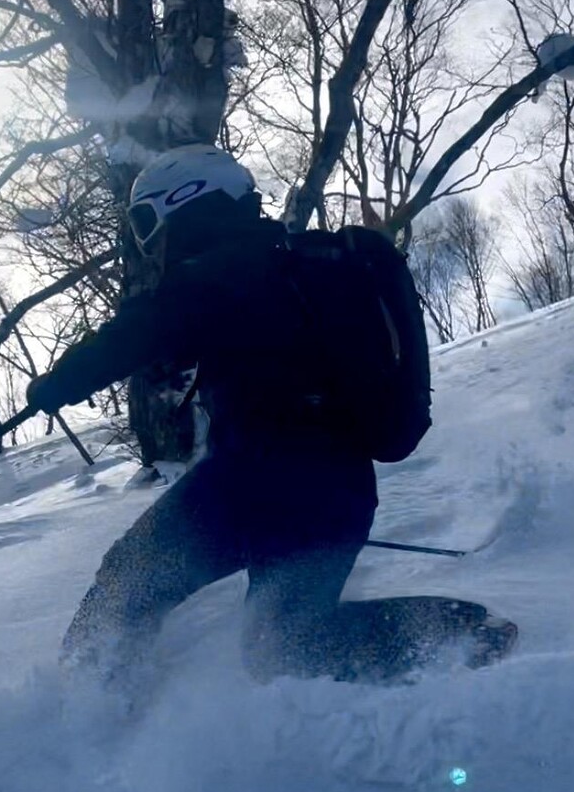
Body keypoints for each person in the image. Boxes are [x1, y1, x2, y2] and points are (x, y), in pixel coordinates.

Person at [26, 144, 379, 703]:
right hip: (339, 490)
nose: (150, 241)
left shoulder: (221, 268)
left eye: (148, 221)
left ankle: (84, 717)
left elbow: (139, 331)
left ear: (185, 202)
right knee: (283, 648)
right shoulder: (278, 263)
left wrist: (60, 382)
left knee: (129, 582)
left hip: (257, 480)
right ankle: (458, 644)